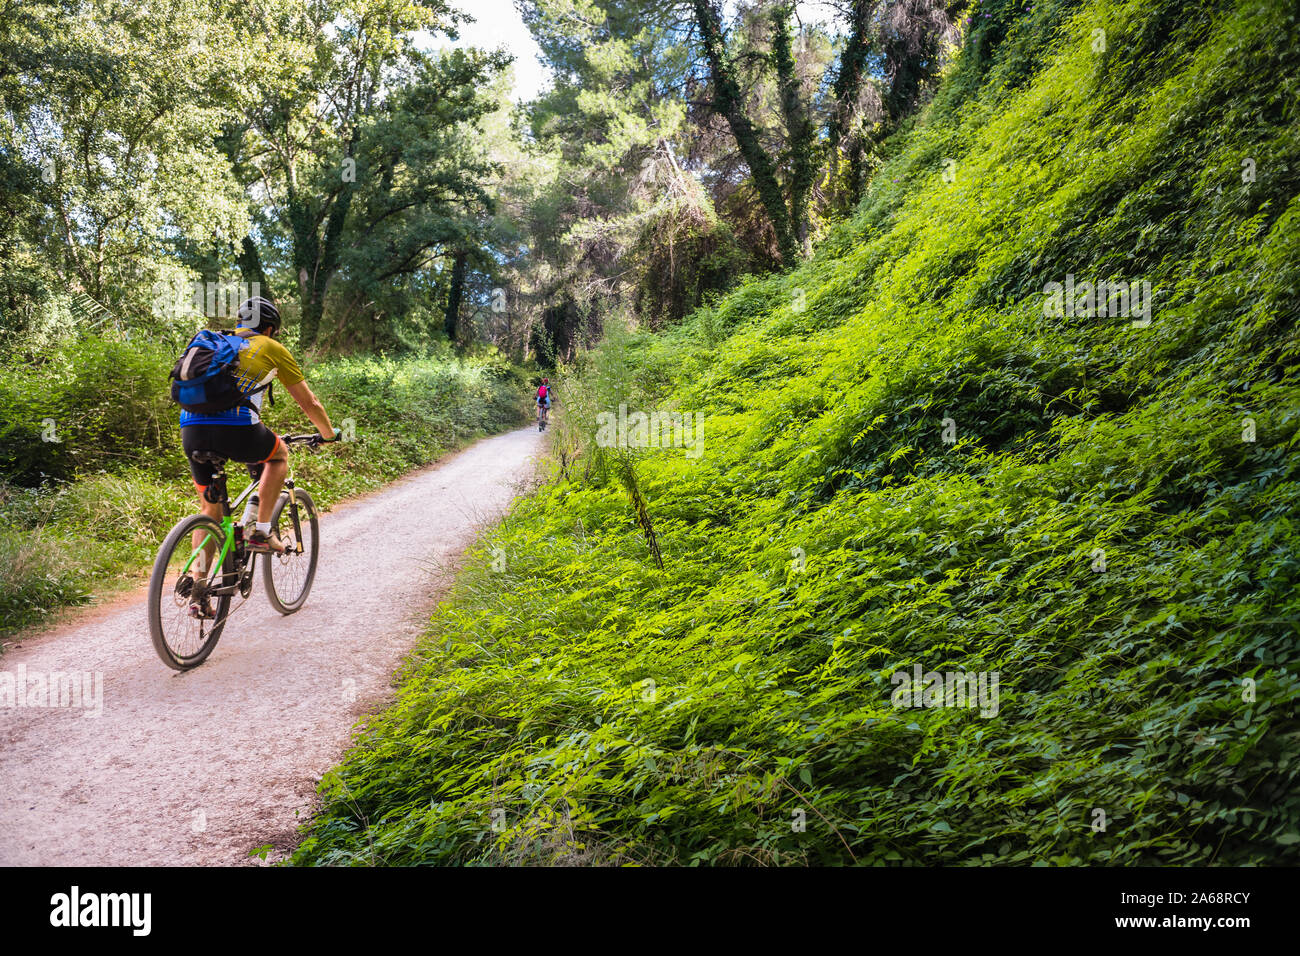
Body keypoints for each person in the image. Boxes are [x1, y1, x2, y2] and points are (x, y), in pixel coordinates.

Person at [180, 297, 339, 614]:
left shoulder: (217, 341)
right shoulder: (271, 347)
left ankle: (199, 583)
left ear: (240, 322)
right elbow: (310, 404)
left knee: (209, 506)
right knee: (278, 455)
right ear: (269, 328)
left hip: (191, 428)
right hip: (236, 428)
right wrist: (329, 435)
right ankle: (261, 532)